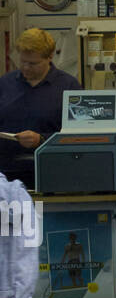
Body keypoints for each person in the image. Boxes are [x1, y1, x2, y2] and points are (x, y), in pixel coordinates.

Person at [0, 29, 81, 190]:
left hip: (53, 176)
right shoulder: (5, 84)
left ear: (50, 57)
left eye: (33, 63)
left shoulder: (69, 87)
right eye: (22, 61)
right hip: (7, 178)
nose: (26, 67)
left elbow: (78, 136)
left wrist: (42, 139)